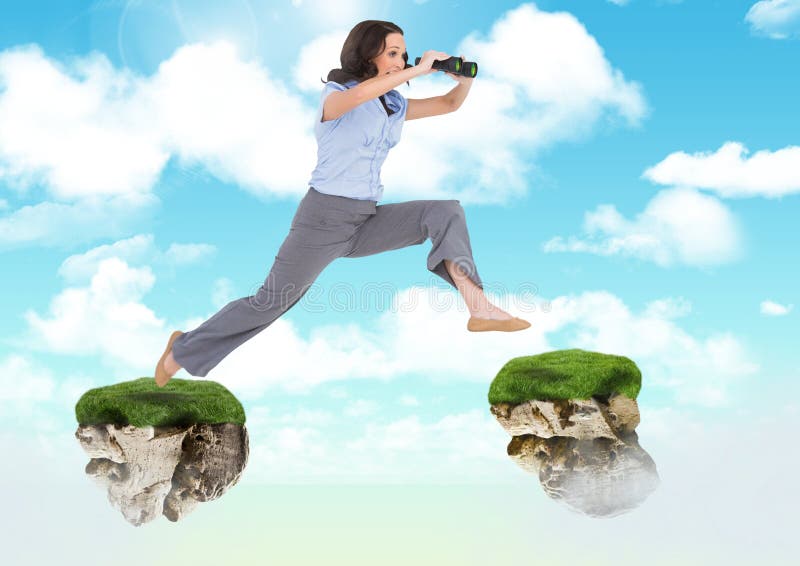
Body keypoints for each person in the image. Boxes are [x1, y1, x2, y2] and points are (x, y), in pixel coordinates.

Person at [154, 20, 530, 387]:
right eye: (392, 53)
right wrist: (418, 69)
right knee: (270, 302)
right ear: (368, 55)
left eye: (403, 53)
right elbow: (360, 96)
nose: (400, 60)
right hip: (322, 221)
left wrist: (464, 81)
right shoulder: (337, 93)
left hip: (365, 220)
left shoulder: (394, 103)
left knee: (445, 211)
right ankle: (182, 349)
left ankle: (478, 307)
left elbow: (448, 104)